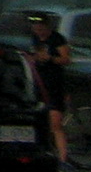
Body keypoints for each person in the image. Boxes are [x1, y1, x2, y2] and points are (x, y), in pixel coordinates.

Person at [25, 12, 71, 162]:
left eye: (41, 28)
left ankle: (63, 159)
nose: (38, 31)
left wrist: (50, 58)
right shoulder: (35, 40)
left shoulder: (57, 39)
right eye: (35, 28)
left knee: (55, 123)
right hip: (40, 84)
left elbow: (66, 59)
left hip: (54, 85)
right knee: (41, 121)